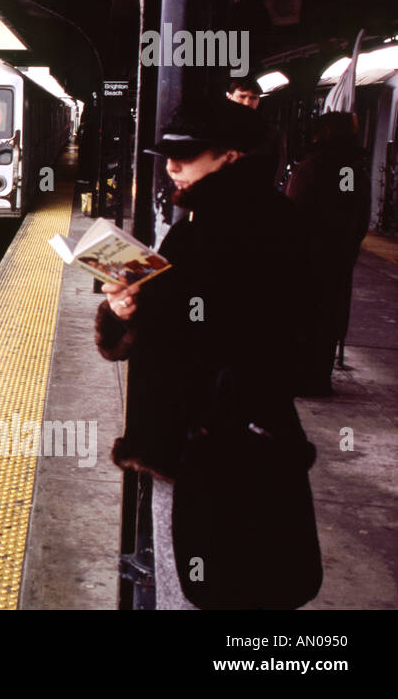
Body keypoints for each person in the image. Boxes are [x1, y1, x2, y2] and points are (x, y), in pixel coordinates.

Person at [96, 98, 321, 609]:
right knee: (221, 577)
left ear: (231, 156)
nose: (172, 165)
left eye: (188, 154)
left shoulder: (231, 231)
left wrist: (139, 311)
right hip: (218, 435)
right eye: (168, 154)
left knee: (203, 582)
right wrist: (127, 310)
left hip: (210, 442)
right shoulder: (210, 224)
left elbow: (257, 337)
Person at [285, 111, 371, 395]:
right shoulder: (353, 167)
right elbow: (357, 214)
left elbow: (295, 210)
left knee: (302, 313)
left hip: (307, 255)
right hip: (339, 255)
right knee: (329, 316)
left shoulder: (313, 165)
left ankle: (299, 376)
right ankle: (319, 378)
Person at [226, 77, 287, 187]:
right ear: (230, 97)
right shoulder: (214, 128)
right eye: (242, 96)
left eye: (253, 98)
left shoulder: (272, 134)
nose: (248, 102)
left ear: (258, 101)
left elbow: (276, 172)